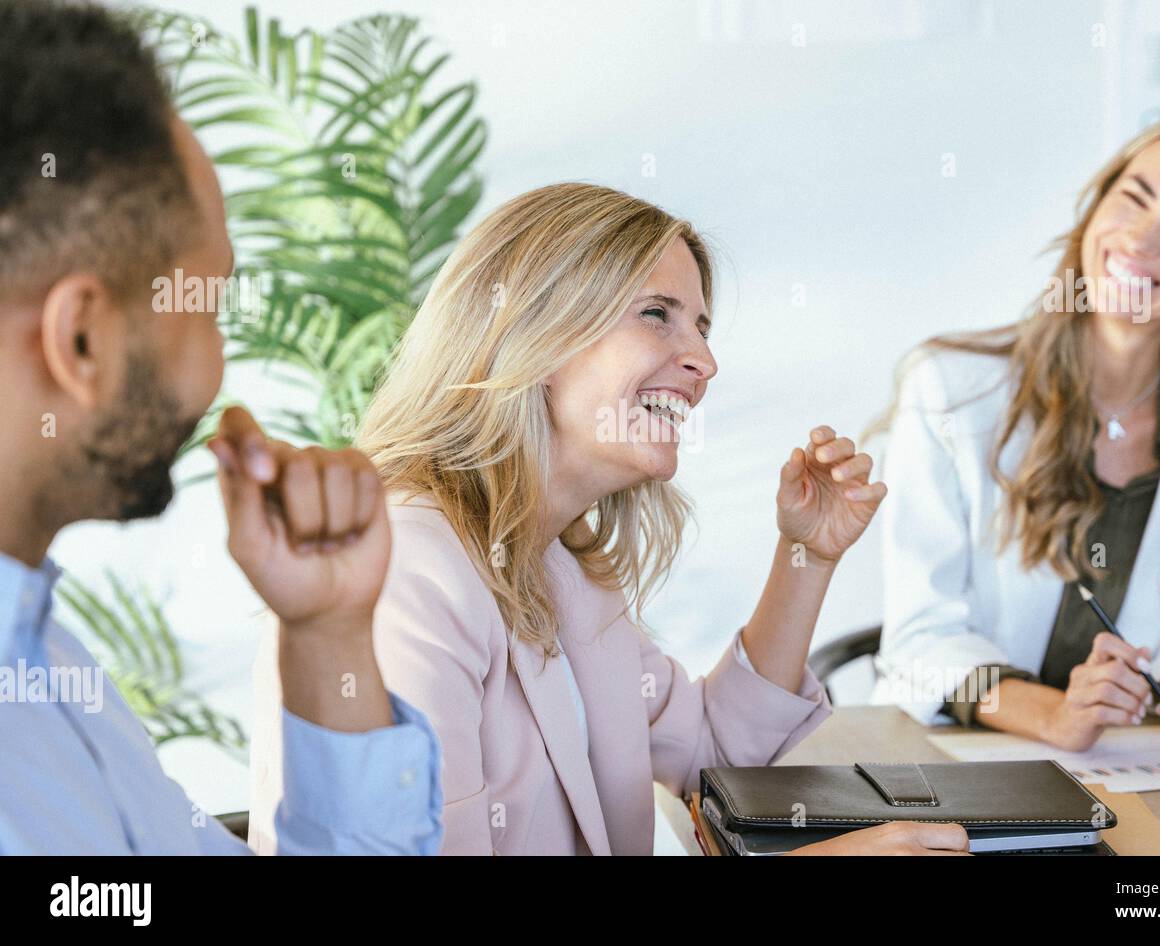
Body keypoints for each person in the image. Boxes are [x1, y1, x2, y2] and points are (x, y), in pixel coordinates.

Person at [248, 182, 970, 855]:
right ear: (534, 335)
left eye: (701, 326)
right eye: (656, 314)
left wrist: (806, 555)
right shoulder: (404, 569)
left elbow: (713, 754)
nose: (705, 361)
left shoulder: (561, 565)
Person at [0, 0, 442, 854]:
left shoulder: (50, 665)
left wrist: (328, 634)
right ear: (81, 341)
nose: (219, 366)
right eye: (205, 304)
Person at [871, 111, 1160, 752]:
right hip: (963, 773)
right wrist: (1052, 715)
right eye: (1135, 197)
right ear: (1097, 205)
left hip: (1151, 776)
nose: (1143, 241)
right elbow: (919, 640)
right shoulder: (950, 389)